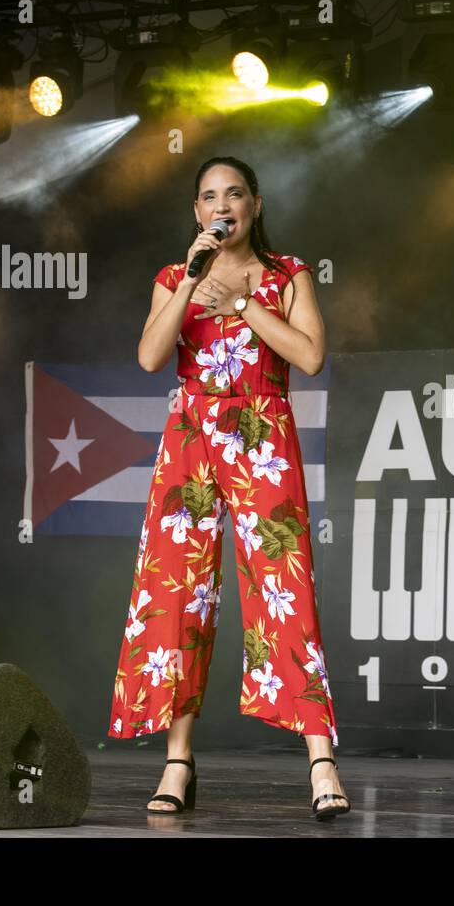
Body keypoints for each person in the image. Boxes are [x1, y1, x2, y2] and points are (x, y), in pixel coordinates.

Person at [106, 155, 349, 821]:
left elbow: (309, 355)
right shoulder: (172, 276)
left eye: (235, 194)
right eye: (210, 196)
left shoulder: (285, 274)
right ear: (196, 213)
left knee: (283, 586)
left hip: (261, 431)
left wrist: (241, 303)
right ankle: (178, 762)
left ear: (255, 205)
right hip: (191, 432)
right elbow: (152, 357)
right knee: (178, 591)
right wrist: (191, 280)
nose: (223, 205)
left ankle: (321, 760)